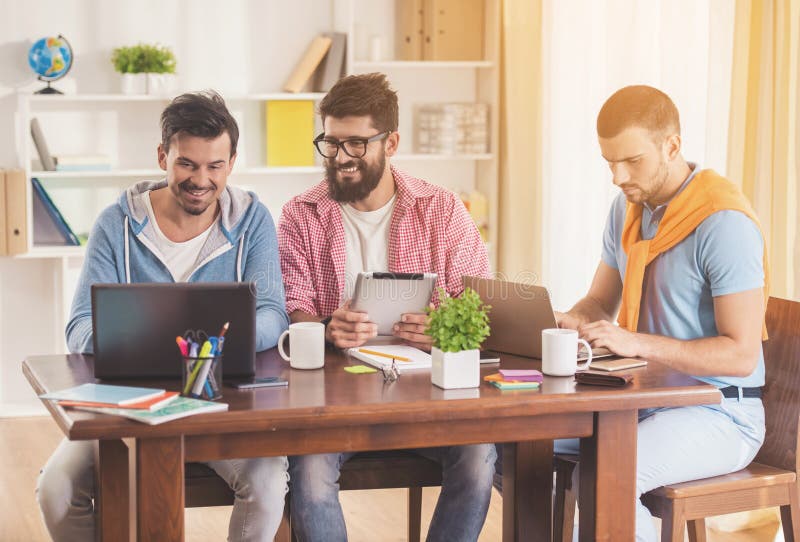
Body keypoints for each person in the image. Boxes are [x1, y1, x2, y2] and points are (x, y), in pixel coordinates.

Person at [36, 91, 291, 542]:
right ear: (162, 156)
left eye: (215, 166)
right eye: (187, 164)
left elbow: (272, 315)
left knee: (269, 483)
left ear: (232, 162)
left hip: (222, 405)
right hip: (128, 408)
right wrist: (168, 340)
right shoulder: (117, 223)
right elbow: (79, 328)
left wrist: (199, 348)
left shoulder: (253, 220)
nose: (201, 180)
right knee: (55, 489)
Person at [278, 73, 496, 541]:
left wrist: (444, 329)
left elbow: (478, 305)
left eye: (356, 144)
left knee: (479, 458)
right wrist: (324, 325)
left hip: (429, 396)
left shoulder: (441, 209)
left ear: (391, 141)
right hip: (331, 401)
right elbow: (292, 309)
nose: (340, 158)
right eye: (331, 143)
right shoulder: (301, 214)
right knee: (310, 477)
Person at [554, 85, 768, 541]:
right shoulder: (628, 209)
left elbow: (741, 356)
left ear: (671, 146)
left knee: (607, 472)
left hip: (721, 412)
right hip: (640, 400)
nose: (617, 176)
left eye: (632, 161)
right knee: (514, 443)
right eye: (609, 162)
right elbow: (599, 302)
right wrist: (572, 319)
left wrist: (635, 342)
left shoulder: (723, 222)